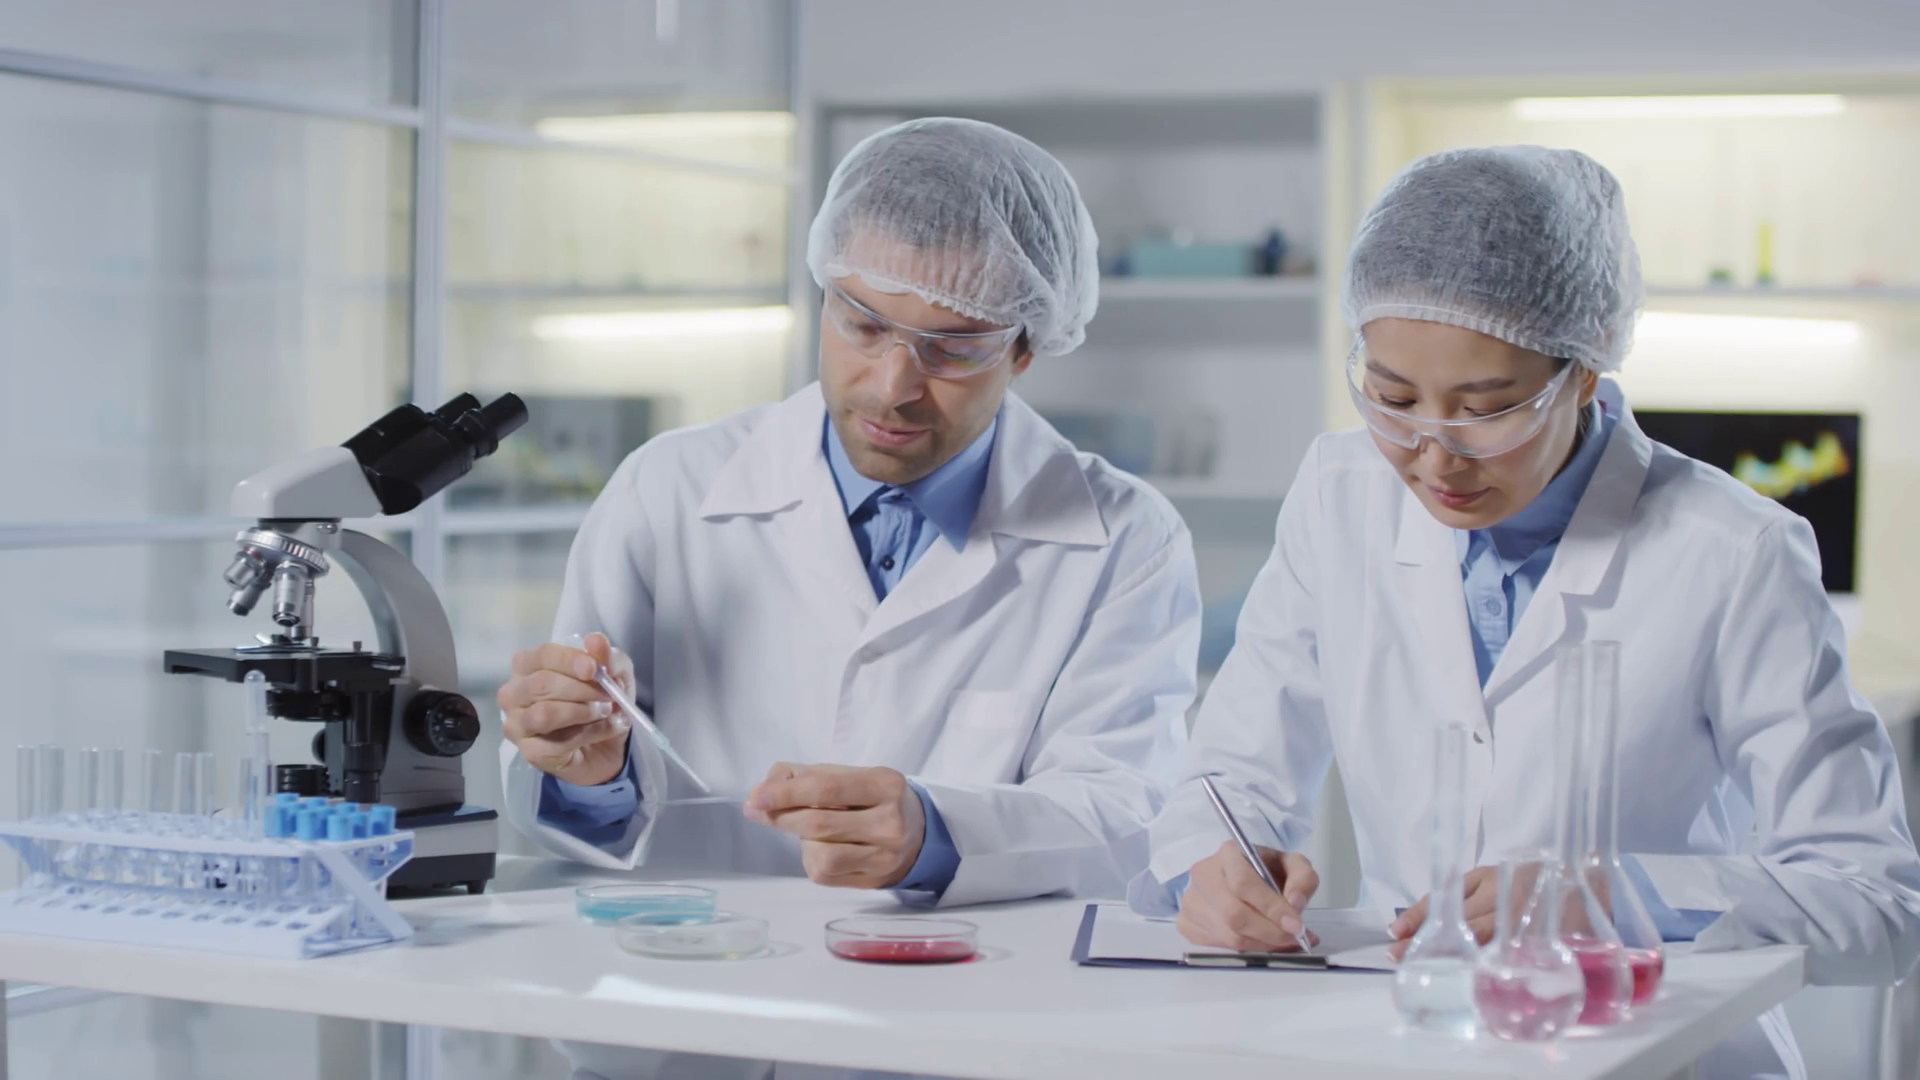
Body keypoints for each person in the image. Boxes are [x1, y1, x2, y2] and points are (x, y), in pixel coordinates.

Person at [1136, 145, 1920, 1080]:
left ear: (1585, 371)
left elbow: (1876, 906)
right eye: (1391, 400)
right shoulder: (1338, 493)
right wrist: (1211, 870)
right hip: (1406, 1040)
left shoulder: (1737, 550)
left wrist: (1614, 897)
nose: (1434, 458)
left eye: (1486, 410)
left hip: (1666, 1055)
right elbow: (1230, 775)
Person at [496, 116, 1199, 1079]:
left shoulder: (1124, 536)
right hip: (688, 1032)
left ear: (1027, 347)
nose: (893, 385)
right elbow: (589, 808)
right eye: (863, 323)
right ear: (825, 295)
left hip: (958, 1039)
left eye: (952, 350)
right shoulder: (669, 489)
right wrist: (585, 764)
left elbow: (1126, 815)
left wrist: (938, 836)